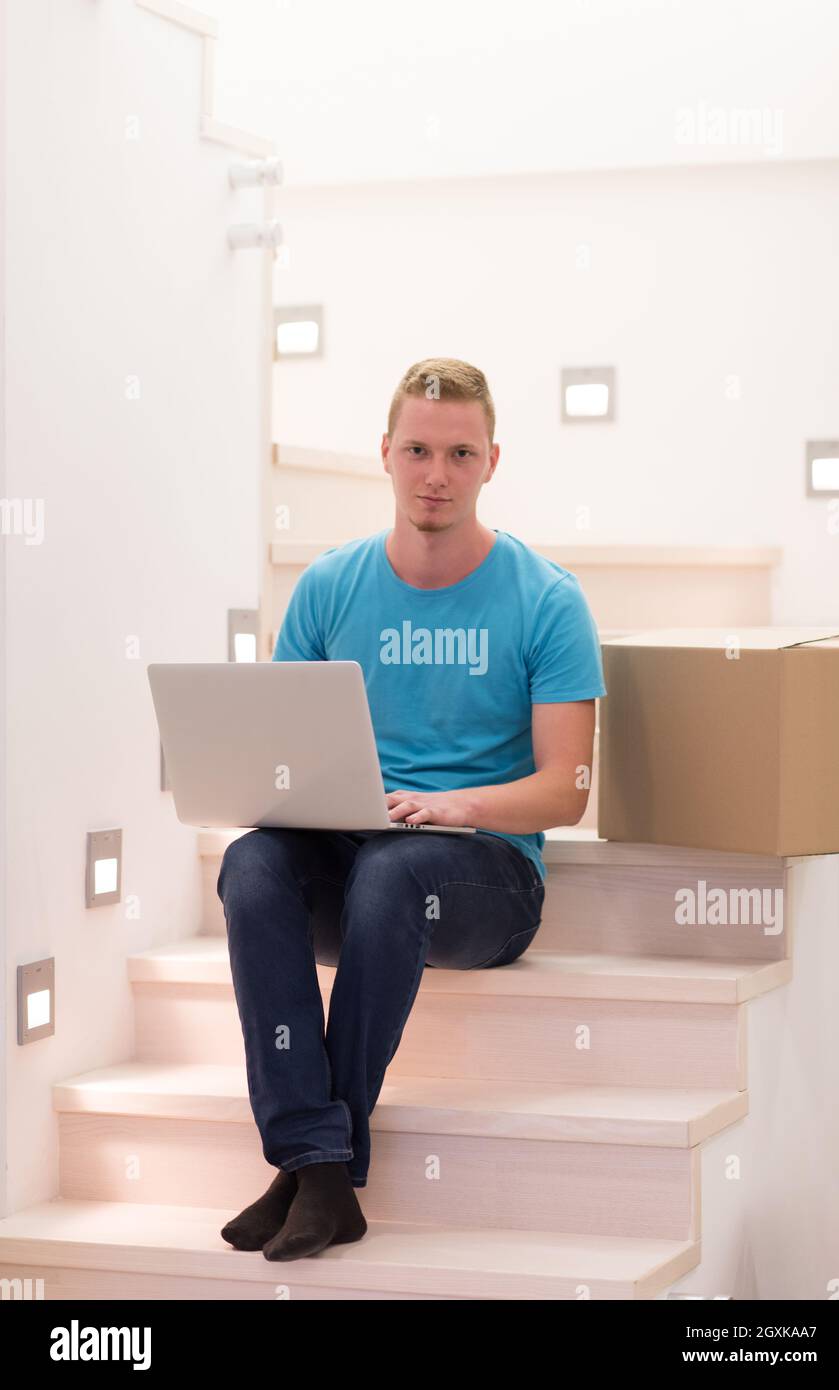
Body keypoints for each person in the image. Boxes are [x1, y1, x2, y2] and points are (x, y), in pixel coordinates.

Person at [217, 357, 606, 1261]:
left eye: (460, 453)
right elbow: (281, 752)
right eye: (419, 450)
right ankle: (318, 1166)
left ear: (491, 462)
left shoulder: (546, 599)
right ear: (385, 455)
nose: (437, 474)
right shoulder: (328, 586)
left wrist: (451, 804)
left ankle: (313, 1165)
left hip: (486, 877)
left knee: (395, 870)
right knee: (252, 861)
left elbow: (569, 791)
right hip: (354, 856)